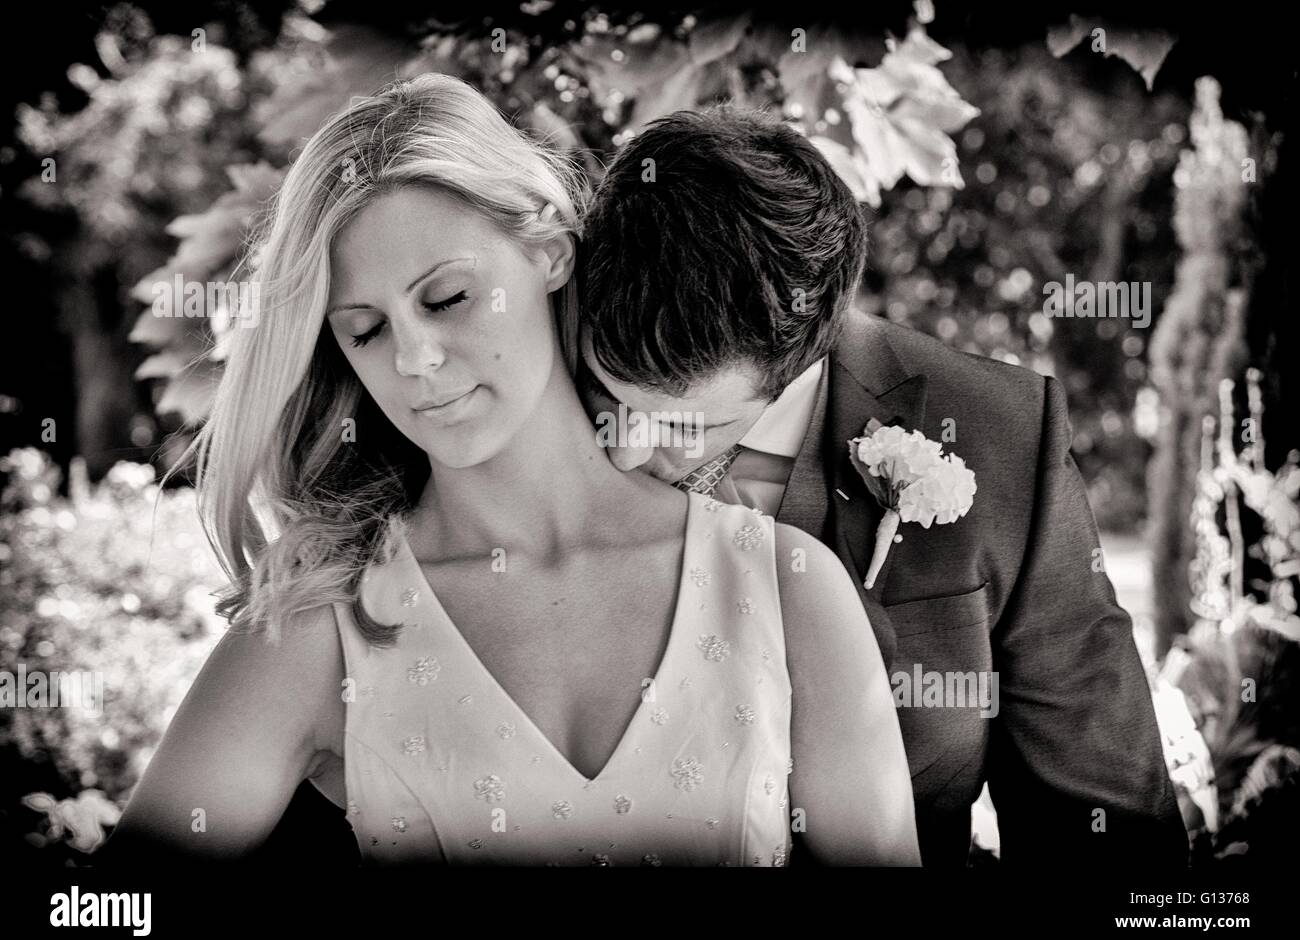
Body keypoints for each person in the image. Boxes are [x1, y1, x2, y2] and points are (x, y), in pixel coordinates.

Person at [107, 74, 919, 866]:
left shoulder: (785, 587)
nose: (415, 360)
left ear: (552, 252)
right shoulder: (325, 626)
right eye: (364, 330)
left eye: (448, 299)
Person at [575, 107, 1189, 866]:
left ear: (800, 359)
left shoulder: (999, 437)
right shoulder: (516, 390)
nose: (627, 453)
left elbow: (1106, 832)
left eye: (682, 429)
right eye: (607, 399)